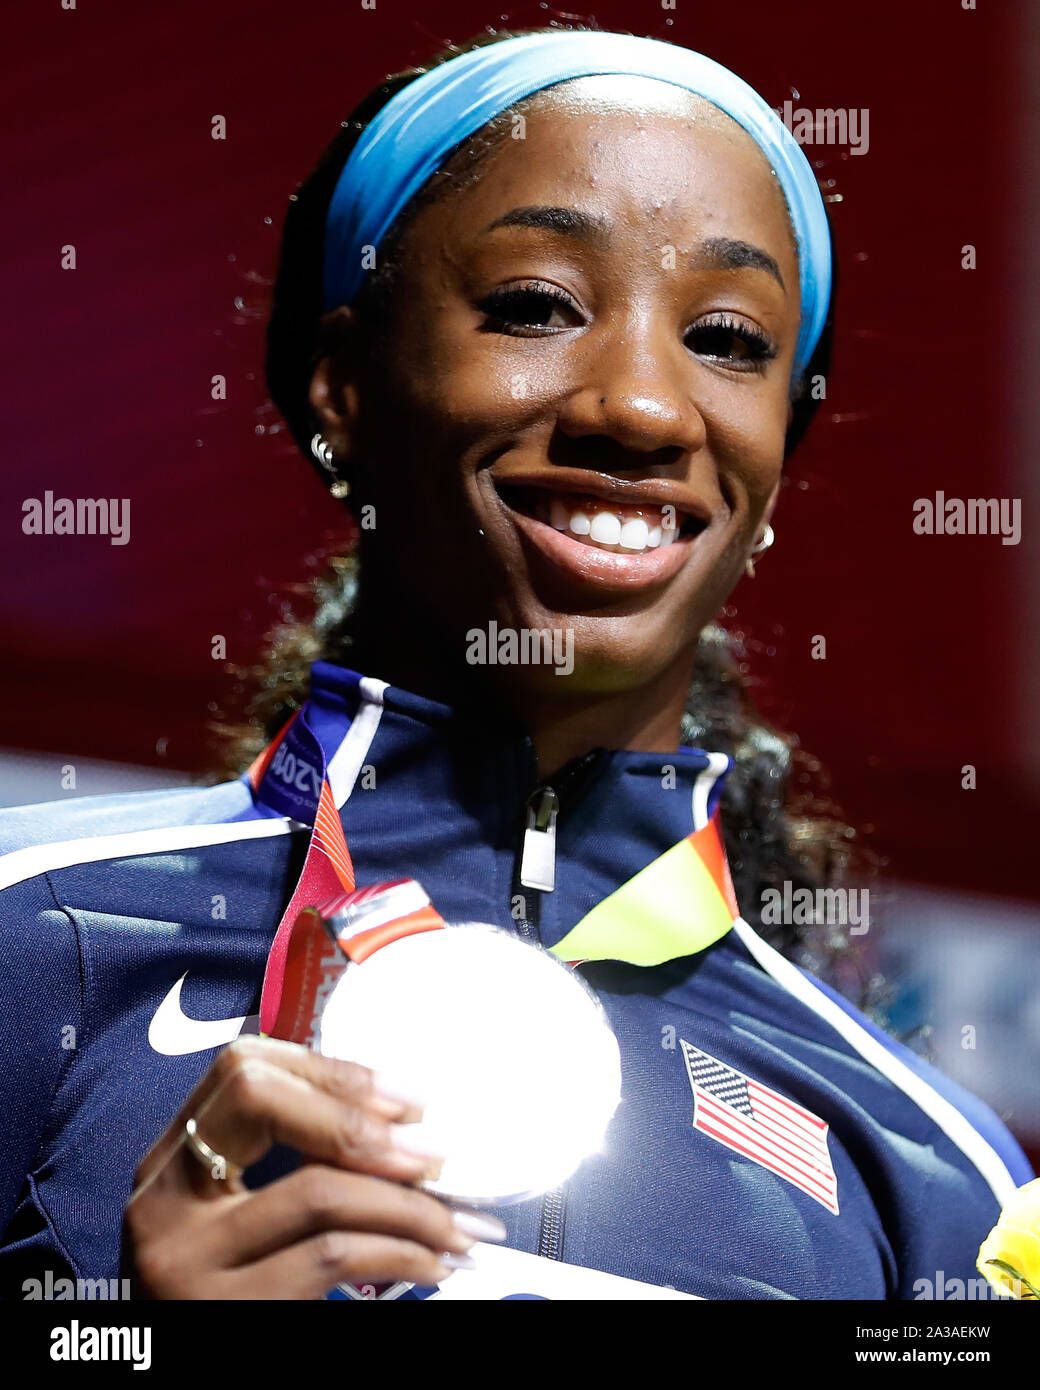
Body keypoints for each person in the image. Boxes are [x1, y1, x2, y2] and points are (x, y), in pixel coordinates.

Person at [0, 26, 1031, 1302]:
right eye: (534, 306)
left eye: (724, 337)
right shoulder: (38, 947)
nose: (644, 409)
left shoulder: (931, 1186)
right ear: (344, 387)